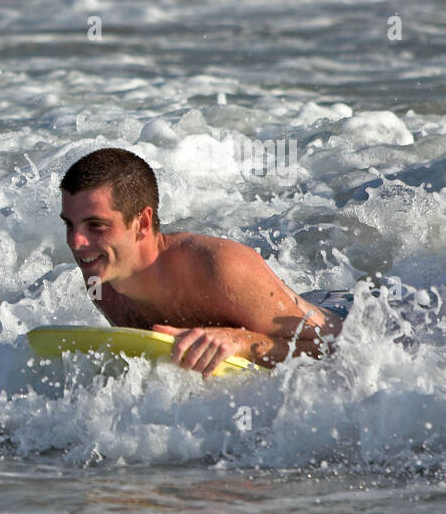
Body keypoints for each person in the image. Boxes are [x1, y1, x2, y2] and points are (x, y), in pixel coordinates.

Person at [58, 148, 343, 377]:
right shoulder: (101, 278)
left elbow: (336, 348)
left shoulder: (221, 268)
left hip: (343, 314)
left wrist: (240, 342)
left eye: (96, 225)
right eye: (70, 225)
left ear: (142, 222)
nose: (75, 242)